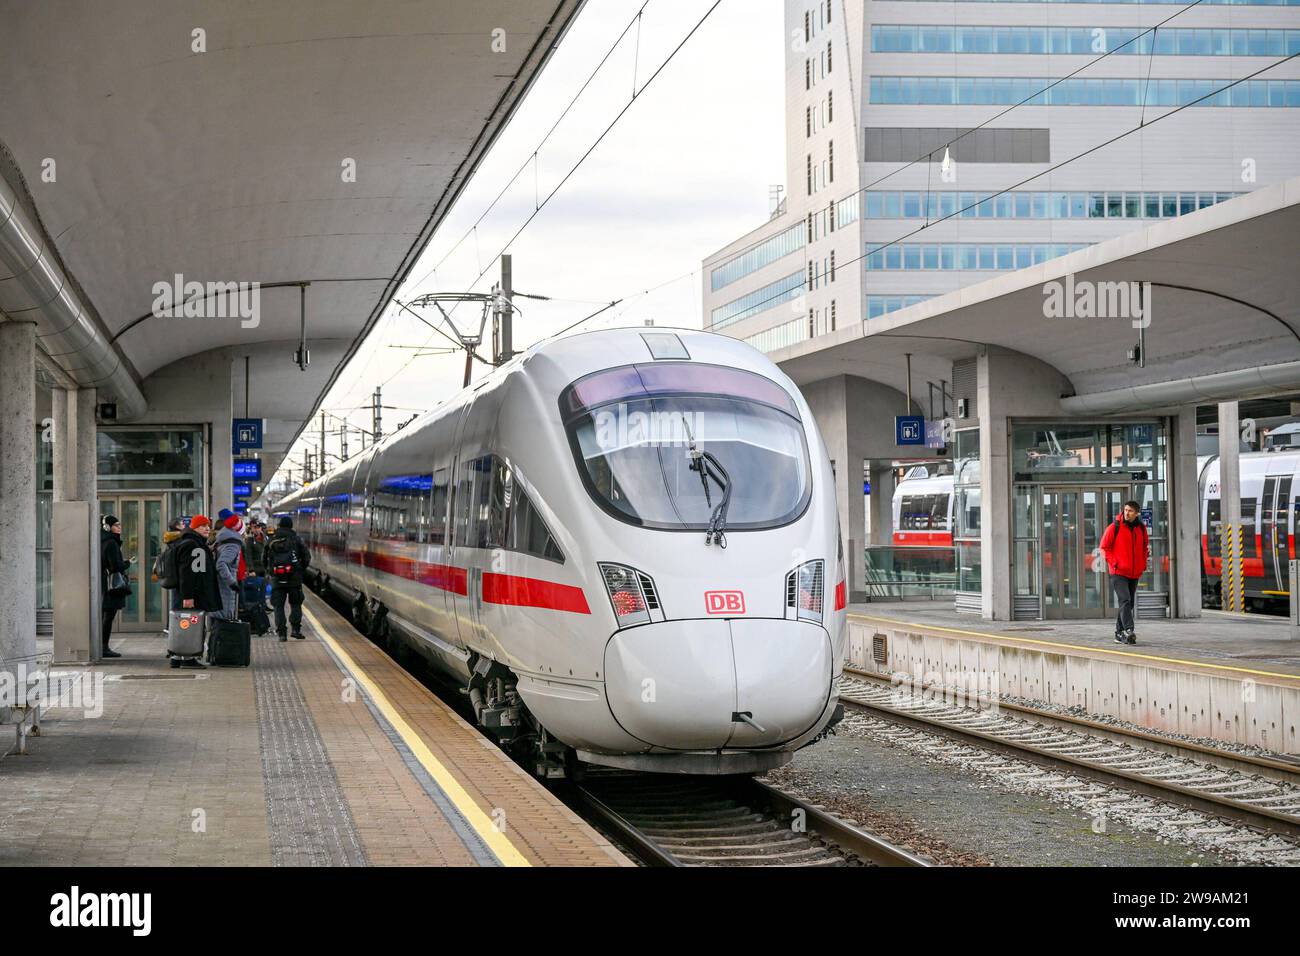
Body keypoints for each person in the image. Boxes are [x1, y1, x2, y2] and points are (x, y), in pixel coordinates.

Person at [173, 514, 221, 668]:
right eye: (202, 526)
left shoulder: (192, 542)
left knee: (183, 625)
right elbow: (189, 573)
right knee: (194, 626)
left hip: (192, 593)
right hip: (194, 594)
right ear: (194, 528)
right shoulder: (193, 545)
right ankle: (188, 658)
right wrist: (188, 597)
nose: (207, 529)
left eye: (208, 525)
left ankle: (177, 657)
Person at [1100, 500, 1150, 646]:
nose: (1127, 513)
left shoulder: (1141, 528)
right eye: (1126, 510)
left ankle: (1118, 633)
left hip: (1134, 572)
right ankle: (1129, 630)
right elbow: (1104, 547)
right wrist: (1114, 563)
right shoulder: (1114, 527)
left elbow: (1144, 546)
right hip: (1118, 571)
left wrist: (1142, 563)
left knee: (1128, 603)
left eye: (1131, 511)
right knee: (1125, 600)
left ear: (1137, 513)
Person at [267, 515, 311, 641]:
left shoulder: (272, 539)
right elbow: (307, 557)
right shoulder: (296, 539)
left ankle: (281, 633)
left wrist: (270, 571)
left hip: (277, 578)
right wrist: (299, 569)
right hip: (294, 579)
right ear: (291, 526)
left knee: (278, 606)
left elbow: (264, 557)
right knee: (296, 604)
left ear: (279, 525)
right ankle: (296, 630)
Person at [99, 515, 131, 659]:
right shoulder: (111, 542)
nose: (119, 527)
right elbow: (115, 566)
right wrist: (127, 563)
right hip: (111, 585)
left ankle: (101, 645)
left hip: (104, 583)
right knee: (108, 616)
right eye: (116, 525)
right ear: (107, 527)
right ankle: (104, 646)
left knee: (105, 615)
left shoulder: (102, 540)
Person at [213, 514, 246, 623]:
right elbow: (221, 564)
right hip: (225, 586)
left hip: (221, 584)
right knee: (225, 617)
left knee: (221, 616)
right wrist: (232, 583)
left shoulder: (225, 539)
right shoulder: (233, 544)